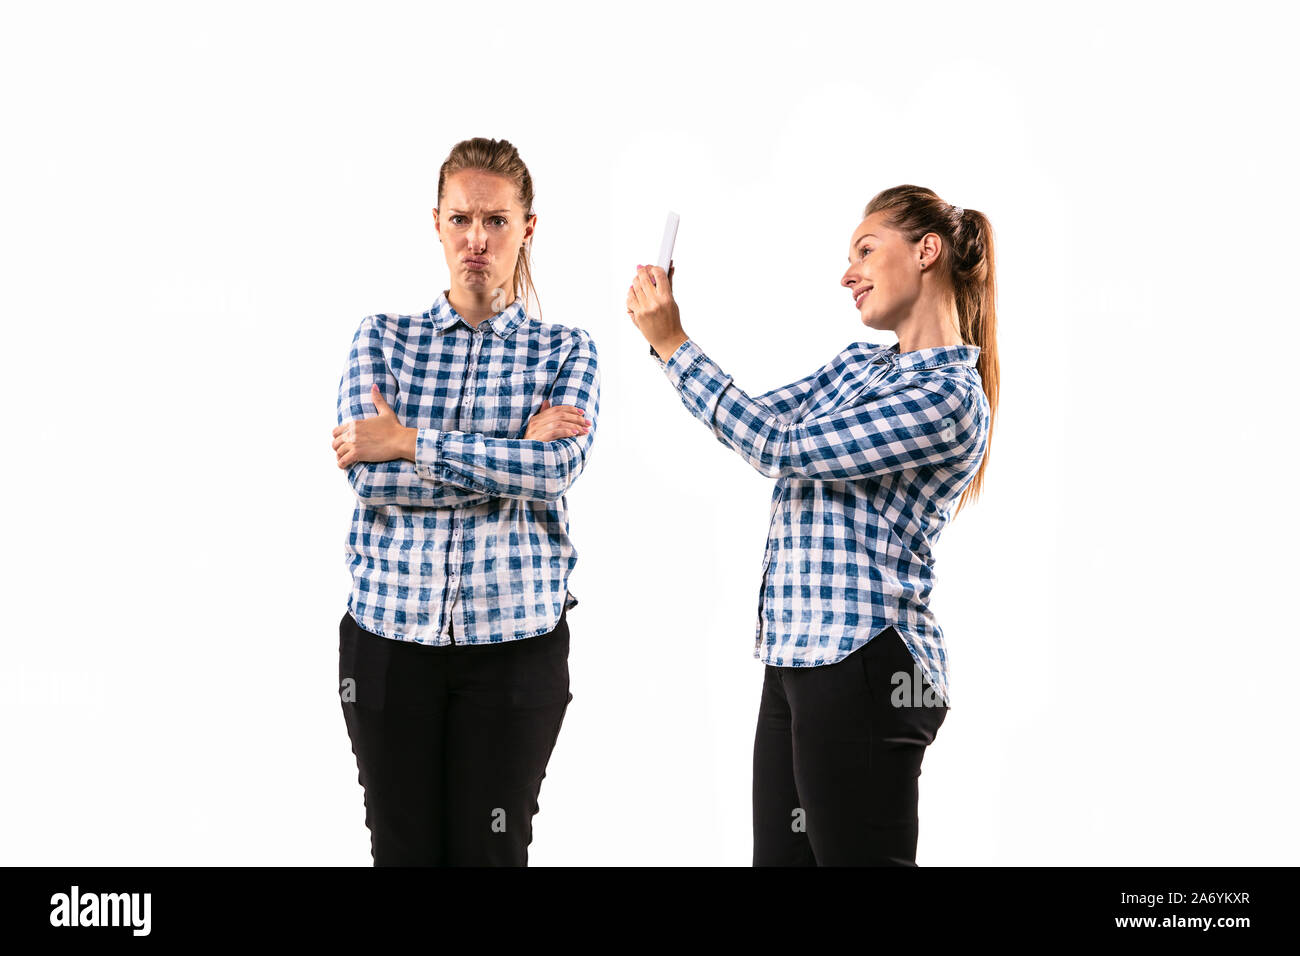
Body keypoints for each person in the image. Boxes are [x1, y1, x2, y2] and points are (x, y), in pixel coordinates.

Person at [625, 184, 998, 866]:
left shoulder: (947, 395)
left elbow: (781, 447)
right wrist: (666, 345)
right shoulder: (860, 366)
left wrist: (675, 342)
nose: (846, 272)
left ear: (927, 251)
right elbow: (756, 418)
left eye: (864, 249)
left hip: (866, 660)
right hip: (797, 656)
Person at [331, 137, 600, 866]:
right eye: (460, 219)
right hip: (389, 642)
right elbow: (368, 477)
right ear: (437, 223)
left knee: (492, 849)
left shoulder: (567, 351)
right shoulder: (380, 340)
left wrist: (409, 440)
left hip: (516, 648)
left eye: (497, 220)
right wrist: (511, 447)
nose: (477, 239)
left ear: (527, 228)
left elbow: (555, 468)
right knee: (402, 849)